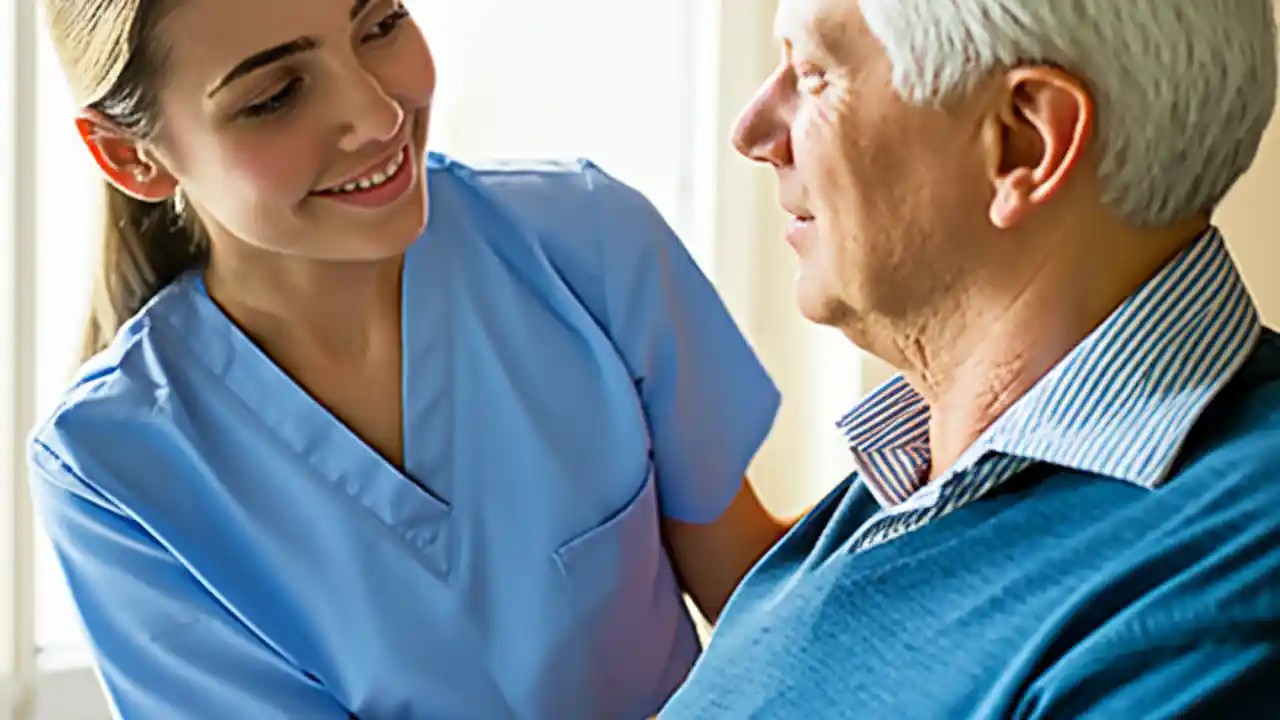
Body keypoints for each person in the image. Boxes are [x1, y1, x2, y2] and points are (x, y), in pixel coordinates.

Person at [29, 0, 786, 717]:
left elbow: (763, 599)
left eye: (380, 23)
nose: (378, 115)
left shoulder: (587, 241)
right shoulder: (109, 466)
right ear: (131, 156)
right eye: (276, 95)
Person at [662, 0, 1280, 717]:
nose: (754, 132)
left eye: (813, 73)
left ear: (1023, 144)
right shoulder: (923, 476)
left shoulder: (1216, 595)